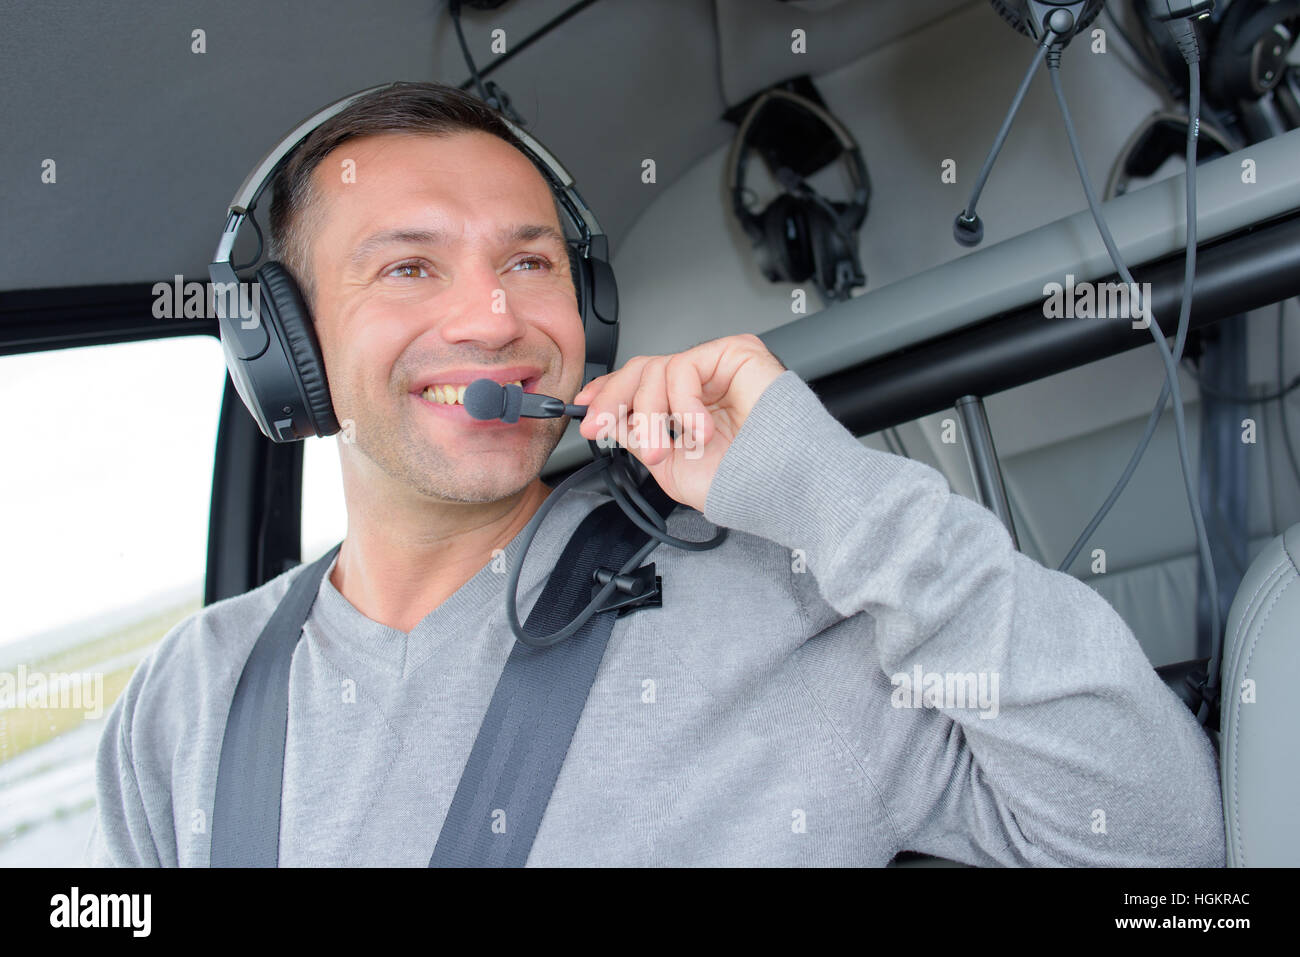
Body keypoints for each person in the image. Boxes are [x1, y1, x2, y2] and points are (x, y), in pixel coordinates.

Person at [85, 82, 1225, 867]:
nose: (492, 320)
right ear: (283, 345)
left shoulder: (785, 603)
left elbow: (1161, 846)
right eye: (408, 267)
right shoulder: (185, 704)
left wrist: (833, 496)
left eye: (527, 261)